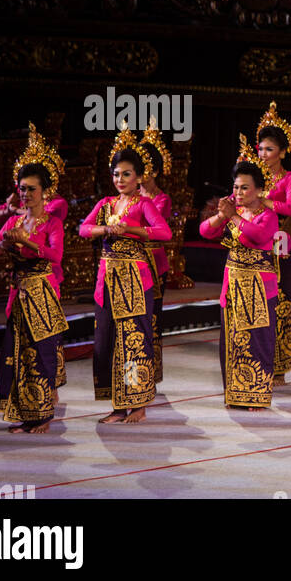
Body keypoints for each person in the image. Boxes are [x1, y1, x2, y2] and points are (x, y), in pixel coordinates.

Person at [79, 121, 171, 424]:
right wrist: (105, 228)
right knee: (106, 340)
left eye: (127, 174)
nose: (120, 179)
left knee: (133, 340)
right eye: (116, 174)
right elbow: (83, 229)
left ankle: (139, 404)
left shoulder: (144, 204)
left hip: (135, 280)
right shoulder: (105, 204)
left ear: (139, 177)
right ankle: (117, 406)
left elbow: (164, 232)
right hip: (107, 280)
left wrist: (130, 229)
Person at [0, 132, 68, 434]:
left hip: (42, 293)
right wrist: (1, 246)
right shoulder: (14, 221)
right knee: (18, 353)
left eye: (32, 189)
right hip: (19, 293)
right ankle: (26, 414)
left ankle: (44, 415)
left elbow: (56, 256)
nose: (26, 195)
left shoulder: (52, 222)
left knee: (42, 353)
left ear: (45, 191)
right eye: (22, 189)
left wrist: (28, 244)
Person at [199, 135, 279, 410]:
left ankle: (256, 396)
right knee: (231, 340)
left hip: (258, 287)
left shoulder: (267, 215)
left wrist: (232, 217)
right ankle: (234, 395)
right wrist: (222, 216)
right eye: (236, 187)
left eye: (245, 188)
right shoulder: (233, 212)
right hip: (233, 285)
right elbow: (205, 231)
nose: (239, 193)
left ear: (259, 190)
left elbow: (258, 237)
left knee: (257, 340)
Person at [255, 101, 291, 383]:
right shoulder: (254, 176)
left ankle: (281, 365)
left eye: (269, 149)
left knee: (282, 299)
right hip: (257, 241)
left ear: (283, 152)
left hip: (280, 242)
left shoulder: (289, 178)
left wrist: (264, 200)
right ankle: (259, 359)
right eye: (260, 148)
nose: (263, 153)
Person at [139, 116, 173, 384]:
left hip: (153, 264)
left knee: (151, 319)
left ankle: (151, 372)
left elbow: (151, 226)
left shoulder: (161, 199)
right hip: (129, 265)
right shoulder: (125, 199)